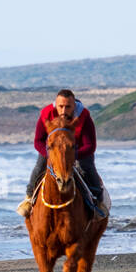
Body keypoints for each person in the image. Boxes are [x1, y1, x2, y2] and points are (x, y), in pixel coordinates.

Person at [17, 88, 104, 218]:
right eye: (61, 106)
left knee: (86, 168)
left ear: (74, 105)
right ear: (55, 105)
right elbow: (38, 141)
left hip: (78, 150)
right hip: (52, 150)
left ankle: (97, 200)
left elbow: (90, 146)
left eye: (67, 107)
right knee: (39, 166)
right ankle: (29, 198)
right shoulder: (46, 114)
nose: (63, 111)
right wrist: (51, 155)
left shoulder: (84, 116)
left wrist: (71, 156)